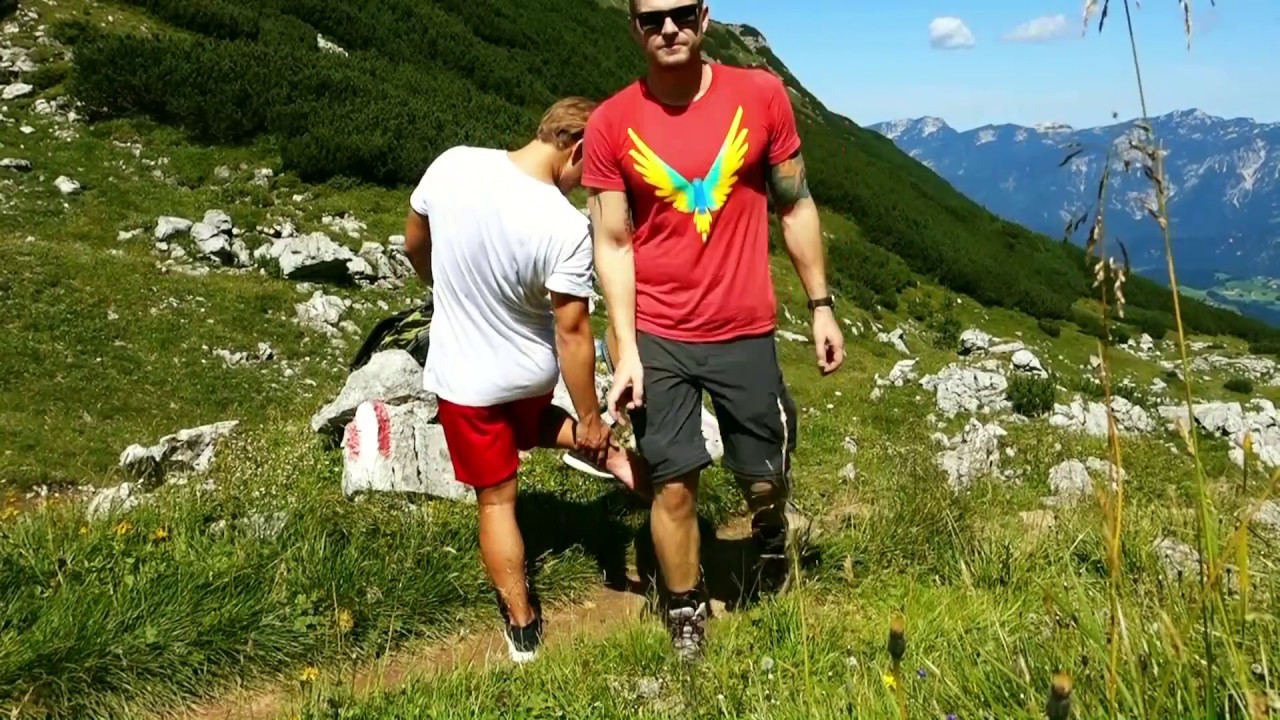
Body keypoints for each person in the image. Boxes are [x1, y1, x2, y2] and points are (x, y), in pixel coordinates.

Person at [581, 0, 846, 661]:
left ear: (703, 15)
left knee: (763, 474)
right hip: (660, 335)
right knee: (673, 484)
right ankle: (686, 607)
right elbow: (612, 243)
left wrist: (820, 304)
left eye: (678, 14)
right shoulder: (613, 122)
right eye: (650, 19)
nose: (666, 28)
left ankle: (768, 523)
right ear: (634, 27)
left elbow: (795, 202)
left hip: (744, 329)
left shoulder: (760, 96)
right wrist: (626, 349)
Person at [403, 97, 645, 664]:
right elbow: (573, 333)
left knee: (497, 501)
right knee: (532, 423)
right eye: (597, 171)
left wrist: (440, 288)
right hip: (529, 376)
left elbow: (416, 239)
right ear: (577, 149)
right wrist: (590, 417)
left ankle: (522, 622)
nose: (594, 187)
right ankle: (608, 454)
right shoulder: (564, 226)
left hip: (468, 383)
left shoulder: (454, 163)